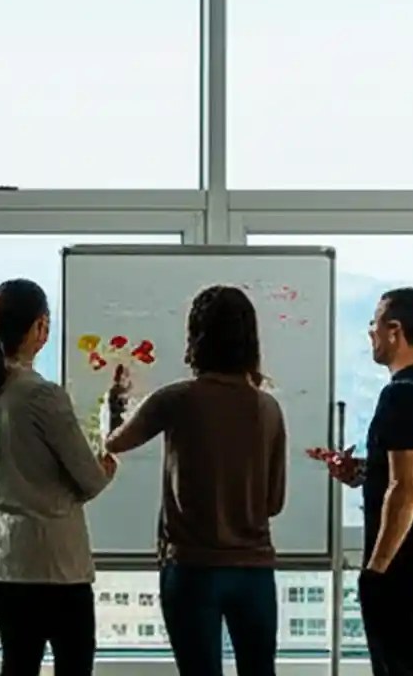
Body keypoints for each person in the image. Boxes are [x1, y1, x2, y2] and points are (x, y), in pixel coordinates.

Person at [104, 285, 286, 675]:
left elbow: (115, 443)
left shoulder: (176, 399)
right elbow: (274, 502)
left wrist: (115, 403)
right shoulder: (268, 408)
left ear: (195, 338)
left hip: (192, 569)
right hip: (255, 572)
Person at [0, 279, 118, 676]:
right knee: (74, 663)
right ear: (40, 328)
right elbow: (90, 479)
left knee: (18, 662)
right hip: (52, 563)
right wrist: (107, 464)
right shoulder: (41, 395)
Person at [323, 287, 413, 676]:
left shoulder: (401, 396)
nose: (370, 333)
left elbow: (405, 489)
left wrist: (377, 569)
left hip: (402, 571)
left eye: (374, 323)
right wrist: (362, 471)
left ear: (394, 330)